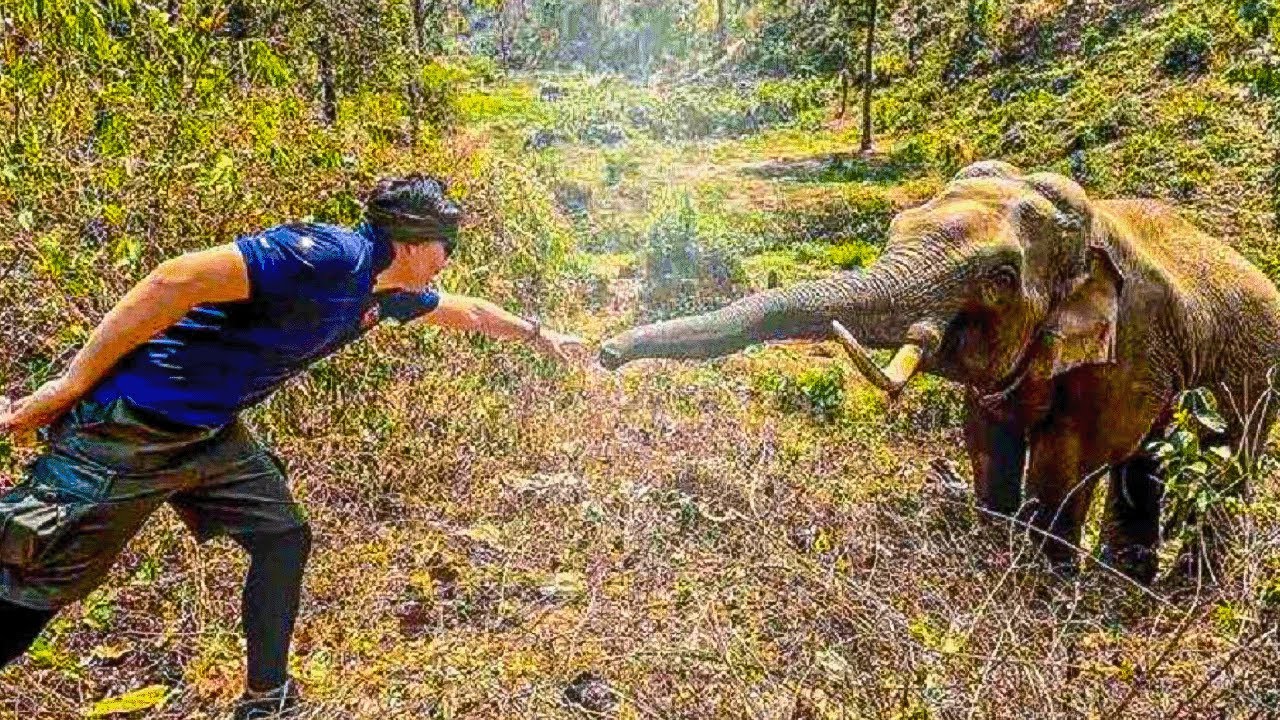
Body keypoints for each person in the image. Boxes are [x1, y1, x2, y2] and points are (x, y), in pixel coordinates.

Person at [0, 175, 586, 718]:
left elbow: (470, 311)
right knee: (38, 577)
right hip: (132, 426)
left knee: (282, 537)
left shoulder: (384, 289)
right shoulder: (327, 257)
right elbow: (176, 277)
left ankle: (267, 698)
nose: (447, 262)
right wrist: (70, 383)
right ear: (412, 241)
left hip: (212, 433)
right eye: (444, 247)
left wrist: (539, 334)